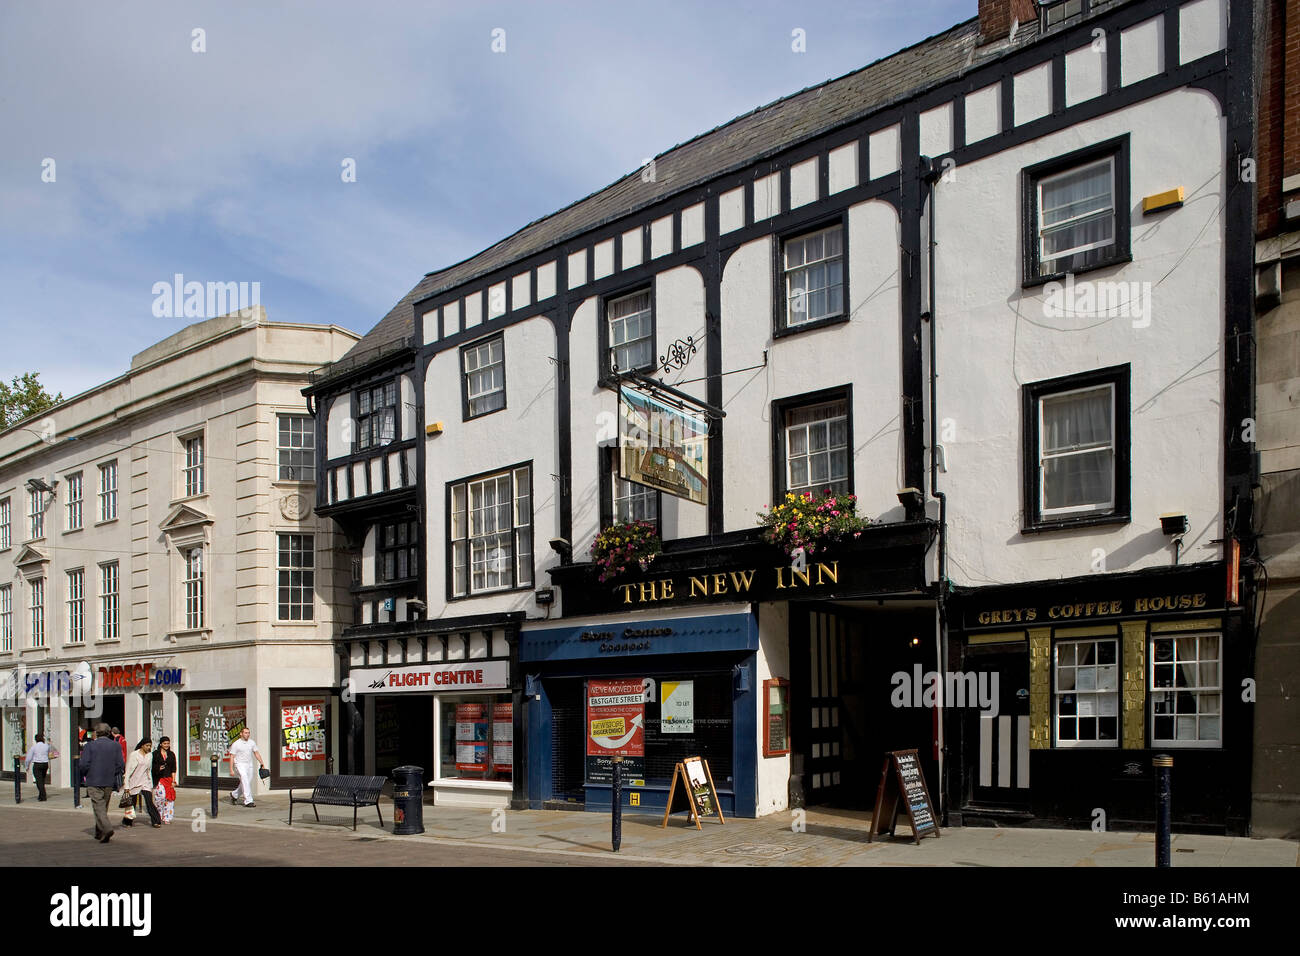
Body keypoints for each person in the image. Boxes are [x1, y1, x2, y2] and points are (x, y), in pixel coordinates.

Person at [79, 723, 124, 843]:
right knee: (103, 807)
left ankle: (107, 828)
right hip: (108, 781)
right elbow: (120, 764)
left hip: (94, 780)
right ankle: (99, 832)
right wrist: (113, 773)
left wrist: (85, 774)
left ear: (96, 733)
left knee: (99, 807)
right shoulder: (115, 745)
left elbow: (83, 764)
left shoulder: (90, 746)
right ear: (109, 732)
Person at [123, 739, 162, 828]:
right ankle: (127, 821)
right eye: (147, 745)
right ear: (142, 745)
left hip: (145, 782)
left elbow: (149, 770)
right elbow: (128, 770)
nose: (148, 747)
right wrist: (126, 786)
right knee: (132, 803)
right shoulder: (134, 755)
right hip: (134, 781)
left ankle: (156, 821)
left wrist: (151, 784)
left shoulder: (149, 755)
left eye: (150, 746)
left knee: (149, 801)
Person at [228, 726, 266, 807]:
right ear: (241, 734)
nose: (247, 734)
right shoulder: (236, 744)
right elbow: (232, 756)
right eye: (245, 733)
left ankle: (234, 795)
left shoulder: (252, 742)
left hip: (249, 764)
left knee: (246, 782)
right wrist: (231, 769)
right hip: (239, 764)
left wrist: (262, 763)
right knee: (244, 779)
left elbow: (256, 753)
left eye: (248, 733)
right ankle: (248, 801)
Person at [151, 736, 178, 824]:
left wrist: (173, 781)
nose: (166, 745)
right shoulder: (155, 754)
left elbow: (174, 768)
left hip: (169, 778)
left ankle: (167, 817)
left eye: (168, 743)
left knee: (169, 799)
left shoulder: (171, 754)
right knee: (160, 797)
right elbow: (151, 766)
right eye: (165, 743)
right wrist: (158, 768)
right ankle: (159, 814)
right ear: (161, 744)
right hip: (159, 779)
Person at [23, 734, 54, 801]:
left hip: (37, 764)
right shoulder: (46, 746)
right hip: (45, 764)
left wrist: (27, 766)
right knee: (42, 780)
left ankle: (43, 795)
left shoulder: (34, 747)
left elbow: (28, 758)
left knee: (39, 781)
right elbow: (51, 753)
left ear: (36, 739)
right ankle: (40, 795)